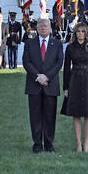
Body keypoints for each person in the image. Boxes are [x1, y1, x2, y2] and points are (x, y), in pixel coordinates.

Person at [61, 23, 88, 153]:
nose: (80, 33)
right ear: (75, 33)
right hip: (74, 80)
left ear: (86, 33)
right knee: (76, 113)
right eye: (78, 31)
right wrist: (66, 87)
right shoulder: (70, 48)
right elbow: (66, 68)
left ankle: (87, 143)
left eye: (83, 31)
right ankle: (78, 143)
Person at [24, 17, 63, 153]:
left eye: (45, 25)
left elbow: (59, 63)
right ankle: (37, 143)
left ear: (50, 28)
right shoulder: (29, 43)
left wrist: (46, 76)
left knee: (50, 116)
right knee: (35, 116)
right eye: (40, 26)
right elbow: (26, 62)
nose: (43, 28)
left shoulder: (57, 44)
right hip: (34, 85)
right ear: (37, 28)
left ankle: (48, 143)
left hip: (50, 84)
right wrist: (37, 76)